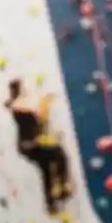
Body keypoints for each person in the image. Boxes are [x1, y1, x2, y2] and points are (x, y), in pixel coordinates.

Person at [6, 78, 72, 214]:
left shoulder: (20, 105)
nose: (26, 90)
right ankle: (63, 186)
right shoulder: (19, 105)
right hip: (30, 145)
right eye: (23, 88)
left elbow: (39, 119)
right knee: (59, 154)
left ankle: (52, 202)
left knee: (47, 168)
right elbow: (35, 114)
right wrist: (45, 102)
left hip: (28, 146)